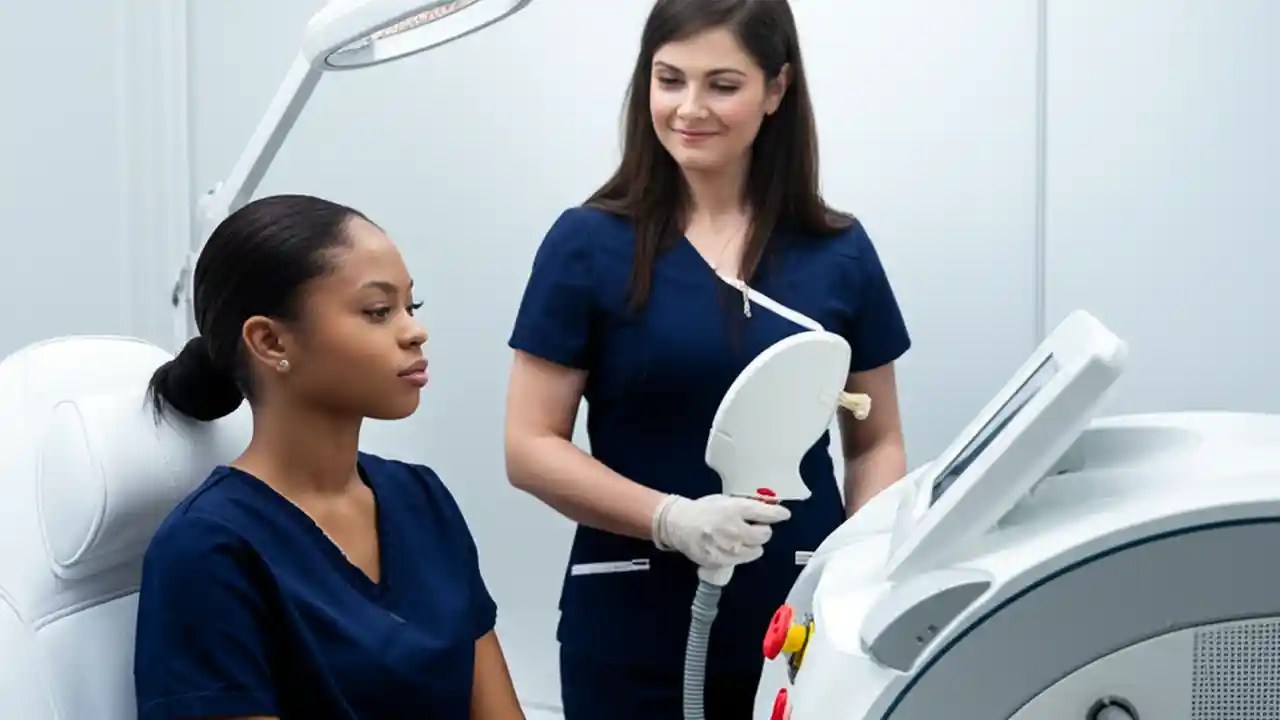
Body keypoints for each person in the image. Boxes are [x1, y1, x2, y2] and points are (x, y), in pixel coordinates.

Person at [503, 0, 912, 717]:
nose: (690, 108)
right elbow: (529, 446)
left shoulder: (838, 253)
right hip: (634, 622)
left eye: (723, 84)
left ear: (776, 90)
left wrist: (854, 572)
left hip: (797, 620)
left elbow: (875, 439)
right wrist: (670, 519)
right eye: (670, 80)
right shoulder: (587, 245)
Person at [133, 194, 524, 720]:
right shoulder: (207, 551)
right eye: (378, 311)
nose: (415, 331)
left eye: (413, 307)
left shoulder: (422, 500)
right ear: (270, 342)